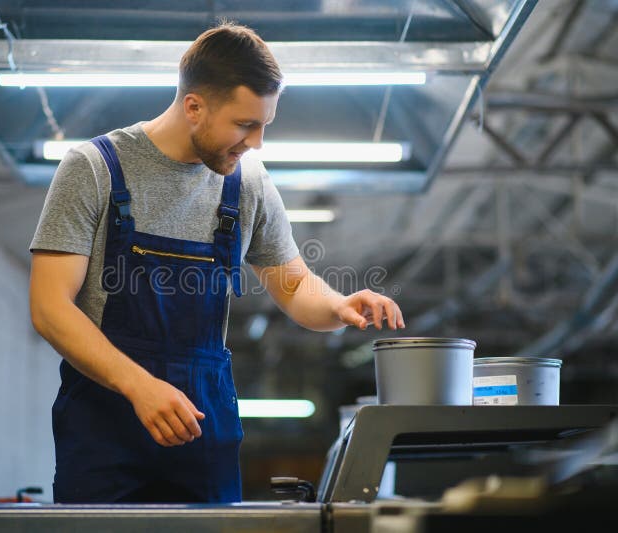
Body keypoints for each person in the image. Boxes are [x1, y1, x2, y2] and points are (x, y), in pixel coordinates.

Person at [29, 21, 405, 504]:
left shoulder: (247, 183)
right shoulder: (94, 169)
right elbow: (49, 307)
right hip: (105, 435)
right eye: (246, 124)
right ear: (194, 106)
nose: (257, 142)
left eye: (265, 124)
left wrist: (338, 306)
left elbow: (292, 287)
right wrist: (140, 386)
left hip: (202, 435)